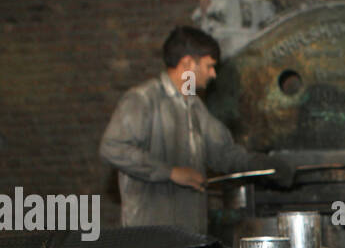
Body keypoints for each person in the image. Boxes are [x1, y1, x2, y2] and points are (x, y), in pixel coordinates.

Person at [100, 25, 285, 234]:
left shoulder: (193, 106)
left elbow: (222, 153)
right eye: (208, 66)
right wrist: (170, 172)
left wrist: (261, 164)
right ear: (187, 63)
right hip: (148, 238)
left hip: (189, 235)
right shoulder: (143, 99)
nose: (213, 74)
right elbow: (112, 148)